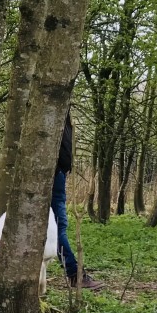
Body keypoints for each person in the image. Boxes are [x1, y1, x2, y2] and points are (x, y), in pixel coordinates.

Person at [51, 113, 103, 290]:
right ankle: (75, 274)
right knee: (58, 226)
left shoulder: (63, 112)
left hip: (57, 173)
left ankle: (75, 274)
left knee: (57, 226)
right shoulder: (53, 108)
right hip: (52, 174)